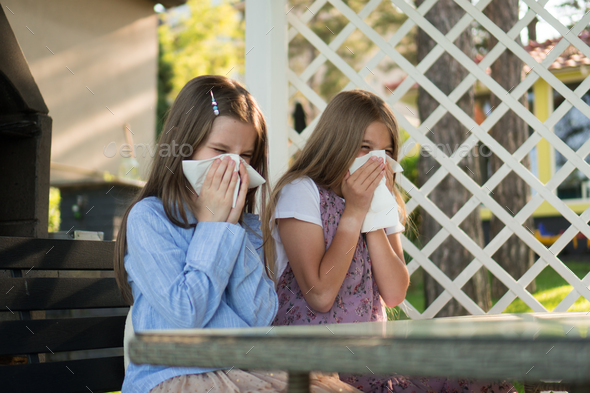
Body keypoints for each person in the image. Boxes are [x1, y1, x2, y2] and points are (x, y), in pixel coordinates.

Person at [115, 75, 360, 393]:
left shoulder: (245, 227)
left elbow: (258, 316)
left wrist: (230, 227)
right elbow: (186, 315)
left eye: (244, 156)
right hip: (171, 376)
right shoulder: (150, 219)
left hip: (240, 369)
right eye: (219, 150)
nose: (233, 166)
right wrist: (213, 228)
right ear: (182, 145)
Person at [263, 89, 515, 393]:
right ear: (336, 144)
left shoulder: (382, 205)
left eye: (385, 152)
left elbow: (394, 292)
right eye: (364, 147)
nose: (375, 161)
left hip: (371, 361)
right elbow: (320, 295)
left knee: (479, 371)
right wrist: (355, 213)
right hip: (314, 364)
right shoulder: (302, 193)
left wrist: (372, 216)